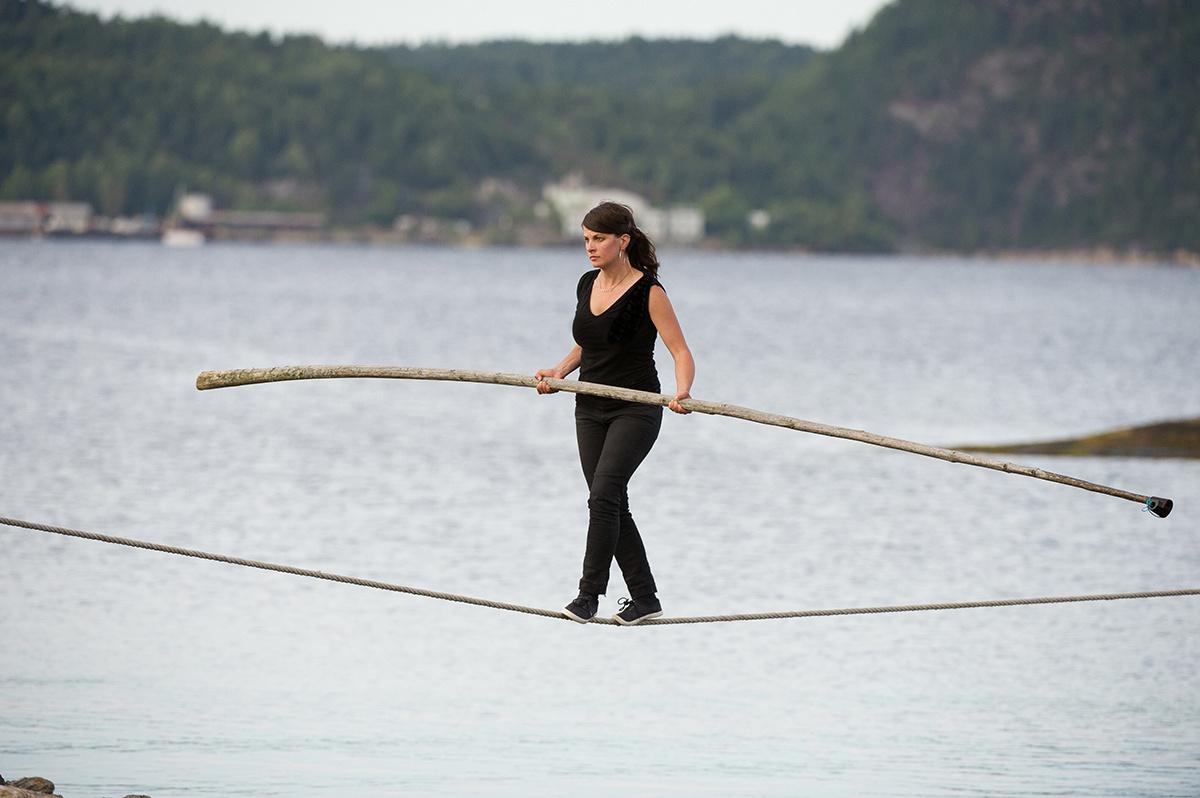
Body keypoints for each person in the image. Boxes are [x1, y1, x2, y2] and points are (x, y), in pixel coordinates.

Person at [535, 201, 695, 625]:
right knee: (611, 503)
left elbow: (680, 351)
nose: (590, 247)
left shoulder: (650, 292)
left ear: (623, 241)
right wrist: (558, 371)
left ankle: (588, 596)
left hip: (636, 409)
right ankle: (645, 599)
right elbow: (591, 344)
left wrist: (683, 393)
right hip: (589, 407)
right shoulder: (587, 284)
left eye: (599, 239)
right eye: (586, 239)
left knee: (603, 496)